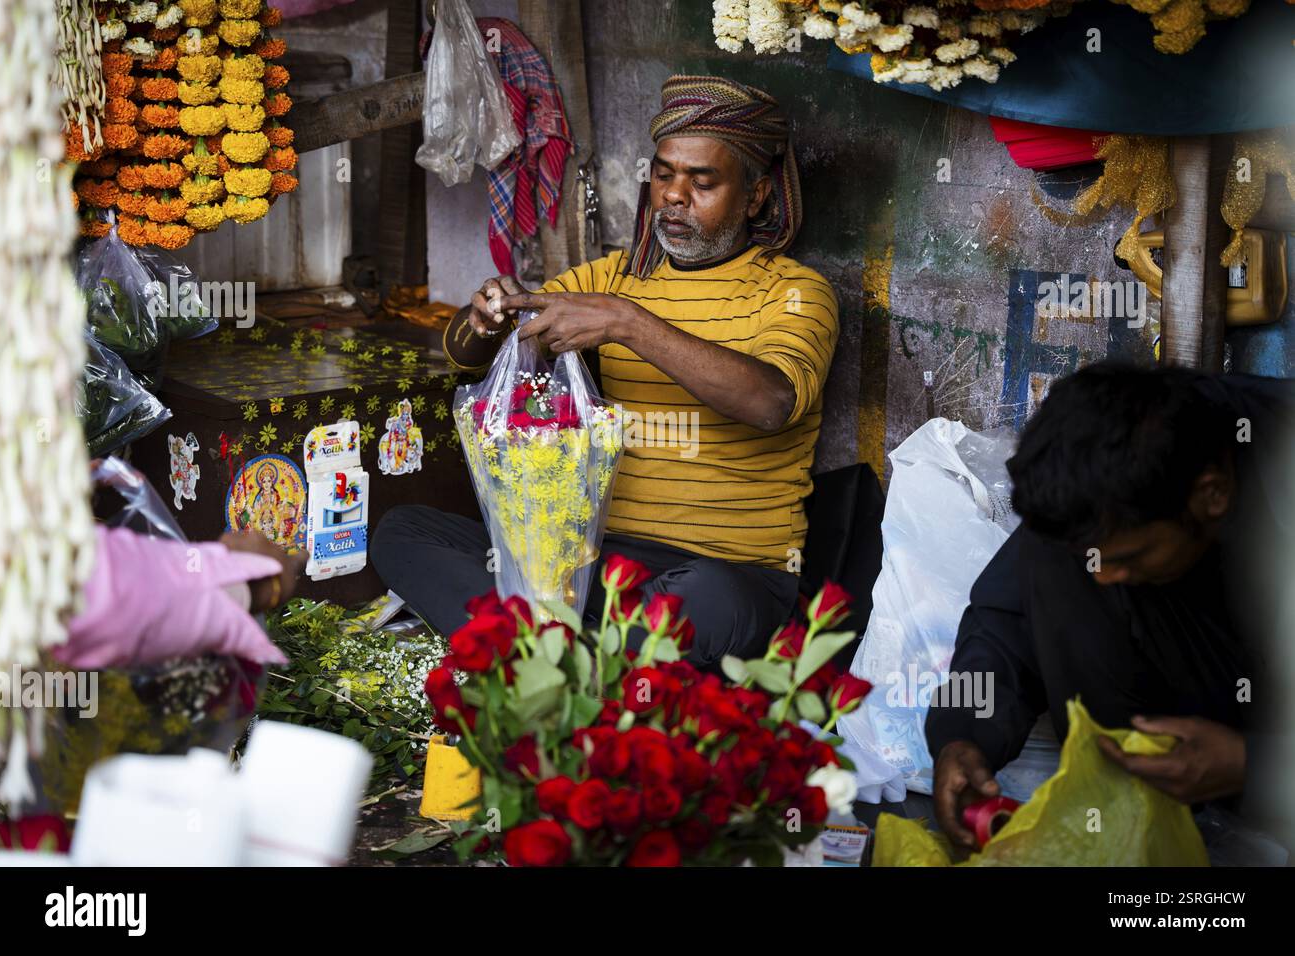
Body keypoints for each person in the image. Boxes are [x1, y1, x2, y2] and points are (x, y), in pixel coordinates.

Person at [373, 75, 839, 667]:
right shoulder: (611, 277)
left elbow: (770, 403)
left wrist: (628, 323)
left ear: (755, 197)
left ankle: (532, 654)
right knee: (405, 532)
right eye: (664, 175)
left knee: (710, 602)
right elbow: (464, 355)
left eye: (703, 182)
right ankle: (575, 659)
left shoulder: (794, 292)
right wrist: (486, 316)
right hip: (590, 564)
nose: (673, 195)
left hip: (722, 573)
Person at [926, 362, 1294, 849]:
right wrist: (961, 736)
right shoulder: (1104, 501)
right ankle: (1130, 809)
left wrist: (1254, 764)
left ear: (1213, 493)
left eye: (1131, 555)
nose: (1101, 577)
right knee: (1058, 551)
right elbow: (1004, 627)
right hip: (1200, 728)